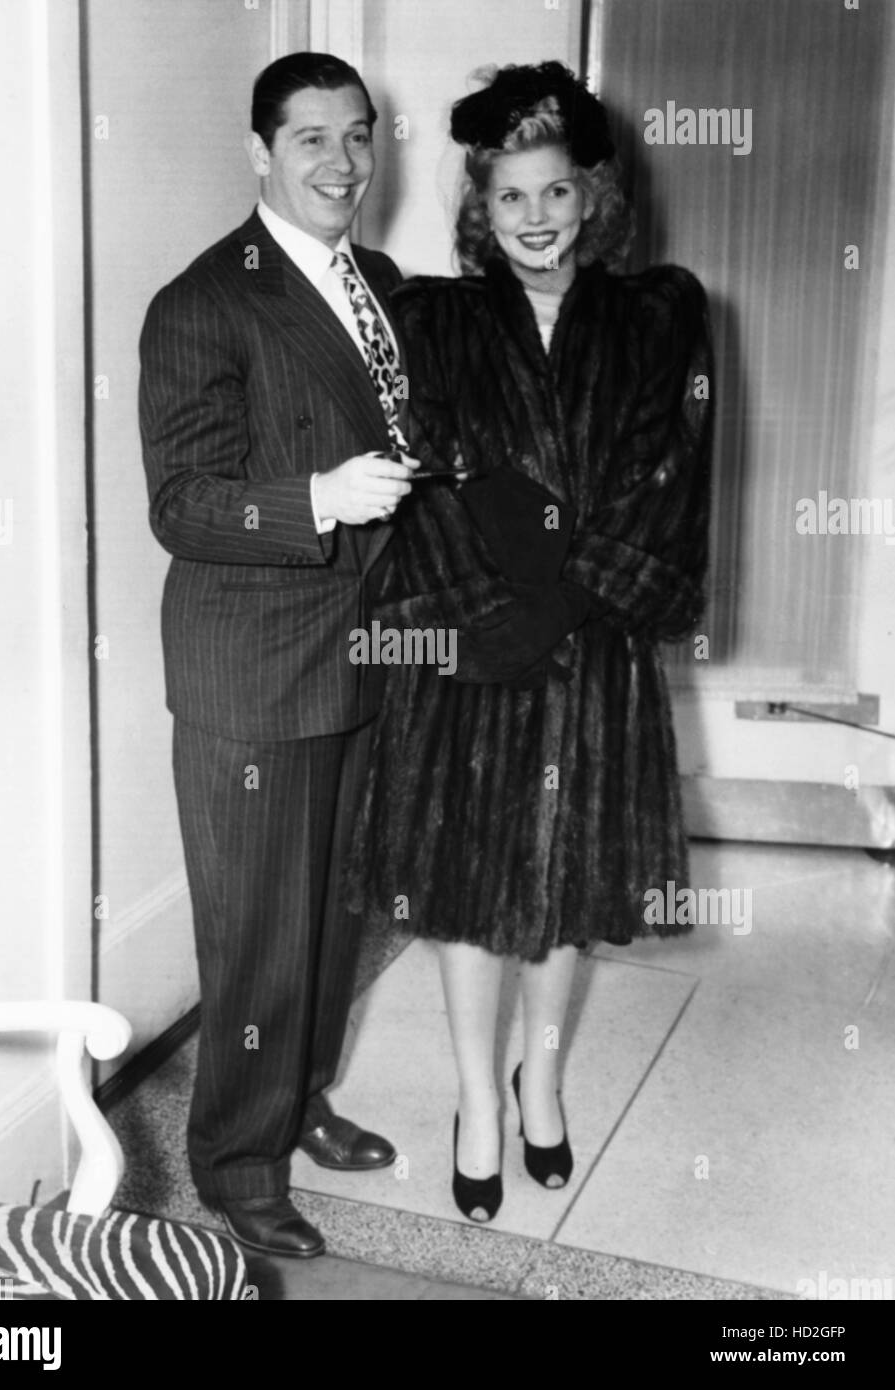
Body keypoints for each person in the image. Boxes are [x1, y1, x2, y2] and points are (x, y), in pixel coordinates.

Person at [348, 62, 714, 1222]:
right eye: (511, 199)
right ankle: (475, 1099)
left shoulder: (660, 313)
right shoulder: (437, 321)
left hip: (594, 645)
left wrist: (570, 600)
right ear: (481, 208)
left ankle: (541, 1081)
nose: (536, 220)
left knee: (569, 890)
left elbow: (672, 479)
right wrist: (481, 620)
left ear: (592, 198)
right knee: (468, 891)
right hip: (478, 647)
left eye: (555, 194)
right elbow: (423, 479)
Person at [138, 52, 420, 1259]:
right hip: (250, 671)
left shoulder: (383, 281)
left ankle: (299, 1102)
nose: (341, 163)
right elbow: (182, 502)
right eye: (310, 139)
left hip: (358, 654)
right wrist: (319, 496)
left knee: (329, 913)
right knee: (256, 930)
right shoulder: (204, 301)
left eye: (356, 136)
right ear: (259, 153)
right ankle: (236, 1164)